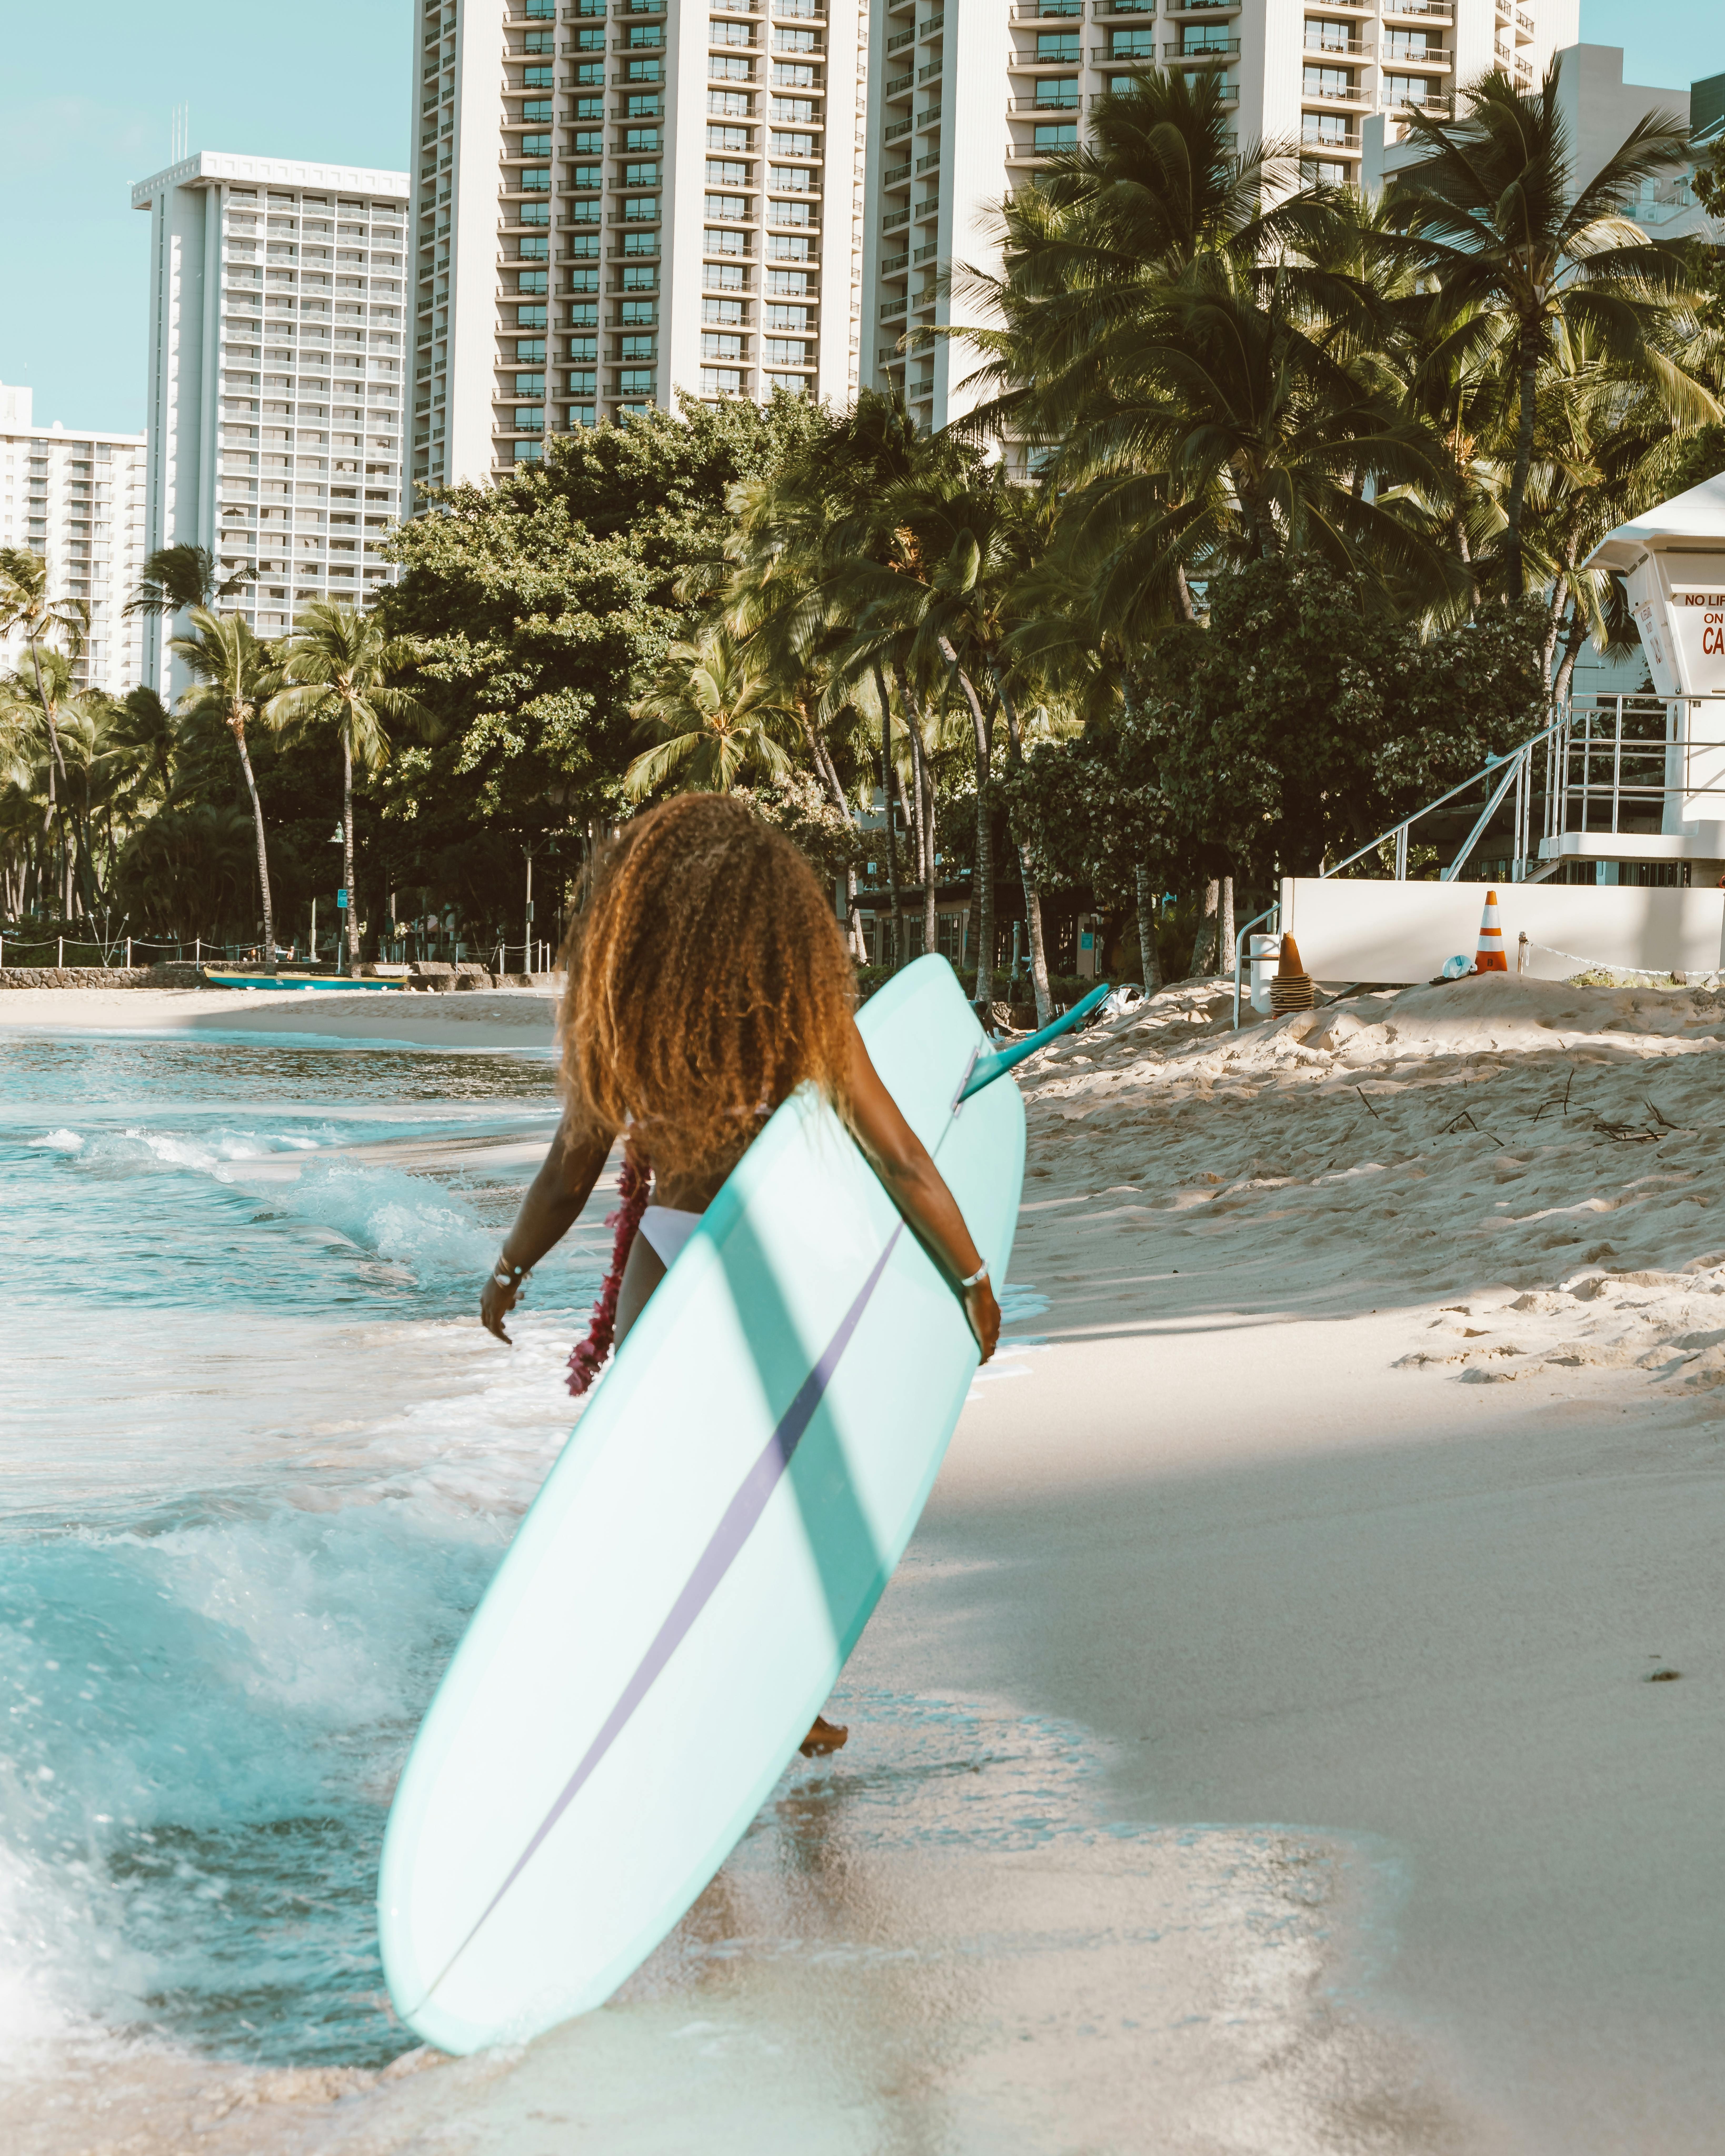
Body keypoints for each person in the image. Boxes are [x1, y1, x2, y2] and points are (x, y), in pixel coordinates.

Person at [479, 795, 1001, 1756]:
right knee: (789, 1488)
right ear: (773, 913)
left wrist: (509, 1271)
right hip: (779, 1250)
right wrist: (971, 1280)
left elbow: (568, 1171)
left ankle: (647, 1682)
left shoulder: (627, 1020)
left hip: (672, 1242)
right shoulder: (802, 1015)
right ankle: (786, 1688)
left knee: (654, 1478)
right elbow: (900, 1162)